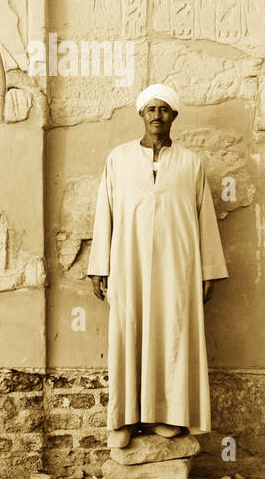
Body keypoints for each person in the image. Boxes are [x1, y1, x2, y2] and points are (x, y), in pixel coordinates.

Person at [88, 82, 227, 449]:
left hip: (177, 268)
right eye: (150, 109)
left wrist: (208, 270)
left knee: (172, 335)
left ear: (174, 115)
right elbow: (106, 213)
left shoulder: (190, 164)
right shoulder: (118, 159)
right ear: (140, 114)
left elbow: (206, 221)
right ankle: (123, 418)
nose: (157, 115)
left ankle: (167, 415)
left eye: (164, 109)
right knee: (127, 333)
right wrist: (99, 264)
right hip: (127, 264)